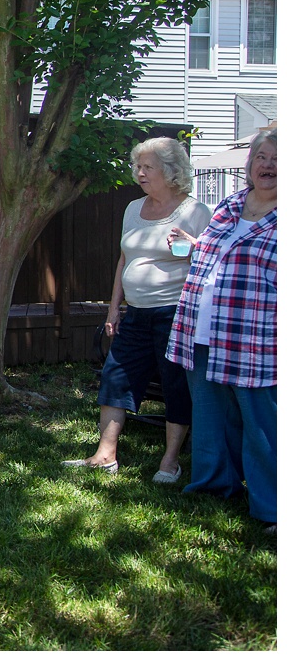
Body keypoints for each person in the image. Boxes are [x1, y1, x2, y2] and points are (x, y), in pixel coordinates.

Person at [64, 137, 211, 481]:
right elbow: (124, 259)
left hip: (175, 312)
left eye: (148, 167)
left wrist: (192, 249)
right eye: (137, 167)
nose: (140, 173)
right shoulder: (133, 209)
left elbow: (210, 260)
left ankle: (169, 462)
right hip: (136, 312)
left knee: (175, 384)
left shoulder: (194, 211)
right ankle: (105, 454)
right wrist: (114, 309)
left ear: (171, 172)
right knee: (116, 377)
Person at [166, 129, 276, 533]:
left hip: (257, 338)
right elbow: (224, 253)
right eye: (261, 157)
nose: (267, 165)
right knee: (211, 414)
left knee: (262, 423)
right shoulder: (230, 205)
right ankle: (214, 486)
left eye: (277, 159)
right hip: (204, 326)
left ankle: (272, 509)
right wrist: (194, 245)